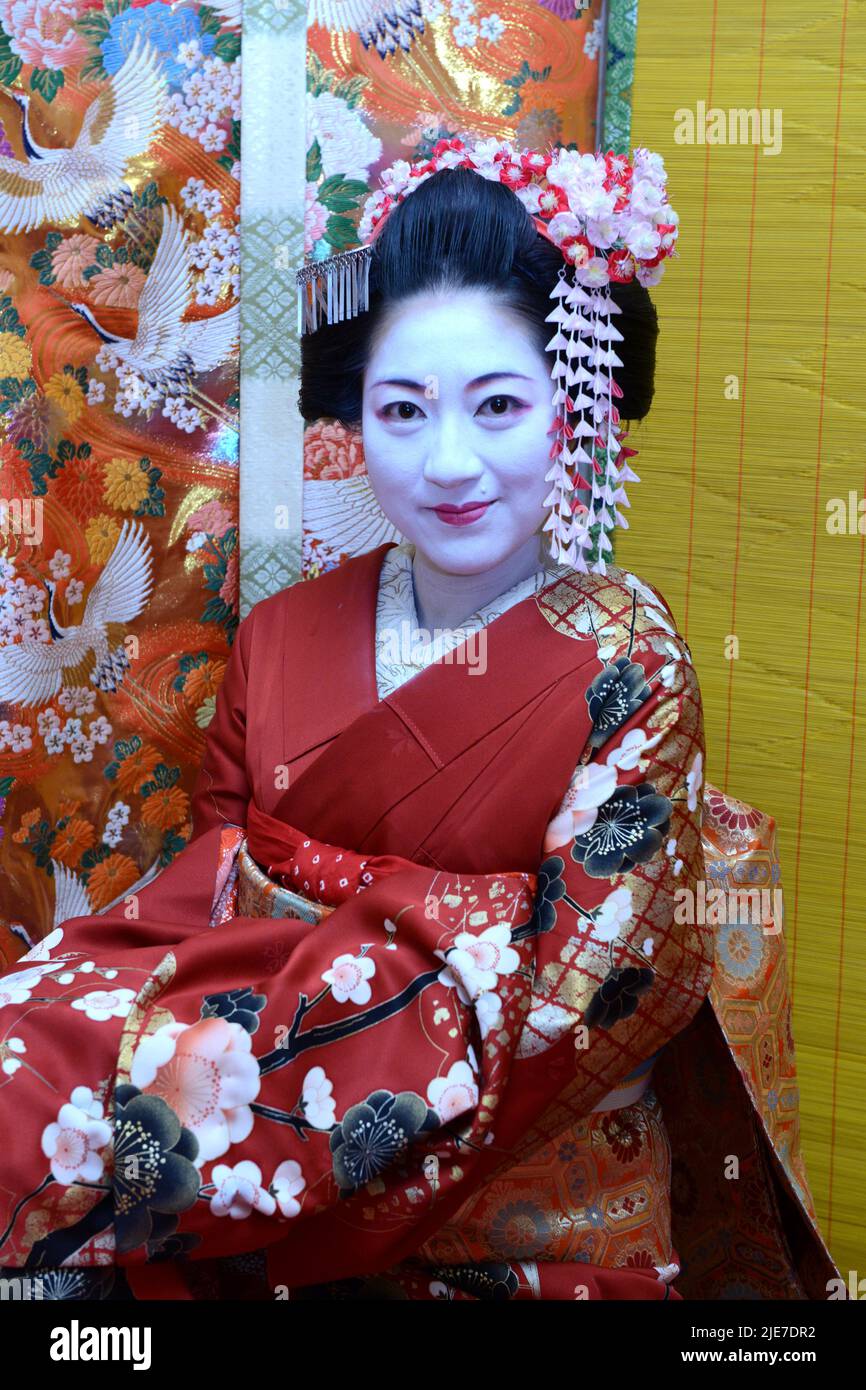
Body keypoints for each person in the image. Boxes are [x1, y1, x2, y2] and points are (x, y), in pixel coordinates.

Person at [0, 139, 840, 1302]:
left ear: (573, 406)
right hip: (246, 1146)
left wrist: (266, 1097)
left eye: (497, 404)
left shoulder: (629, 659)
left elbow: (580, 998)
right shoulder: (283, 633)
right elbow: (211, 895)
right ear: (358, 419)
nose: (450, 463)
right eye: (403, 409)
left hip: (521, 1219)